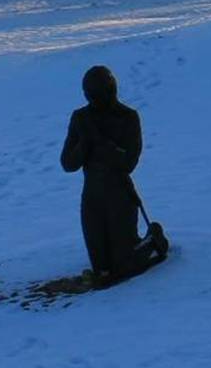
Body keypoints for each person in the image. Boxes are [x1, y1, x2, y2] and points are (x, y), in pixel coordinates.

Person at [60, 65, 168, 285]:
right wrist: (84, 144)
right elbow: (68, 163)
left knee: (124, 268)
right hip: (92, 199)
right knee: (102, 269)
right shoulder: (81, 118)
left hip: (120, 196)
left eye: (99, 95)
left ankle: (153, 239)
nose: (94, 101)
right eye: (91, 96)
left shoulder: (128, 117)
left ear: (111, 91)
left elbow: (128, 163)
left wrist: (100, 142)